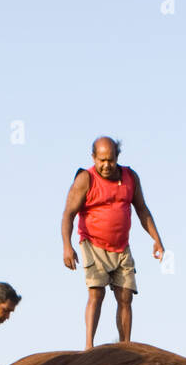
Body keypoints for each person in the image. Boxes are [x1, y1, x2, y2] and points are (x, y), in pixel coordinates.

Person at [61, 136, 165, 348]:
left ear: (117, 157)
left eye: (110, 160)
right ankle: (89, 345)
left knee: (126, 295)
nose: (106, 165)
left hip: (121, 246)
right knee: (96, 292)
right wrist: (67, 246)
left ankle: (125, 346)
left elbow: (142, 209)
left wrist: (156, 239)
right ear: (93, 158)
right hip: (93, 244)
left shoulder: (130, 177)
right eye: (101, 160)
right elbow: (68, 214)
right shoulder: (85, 179)